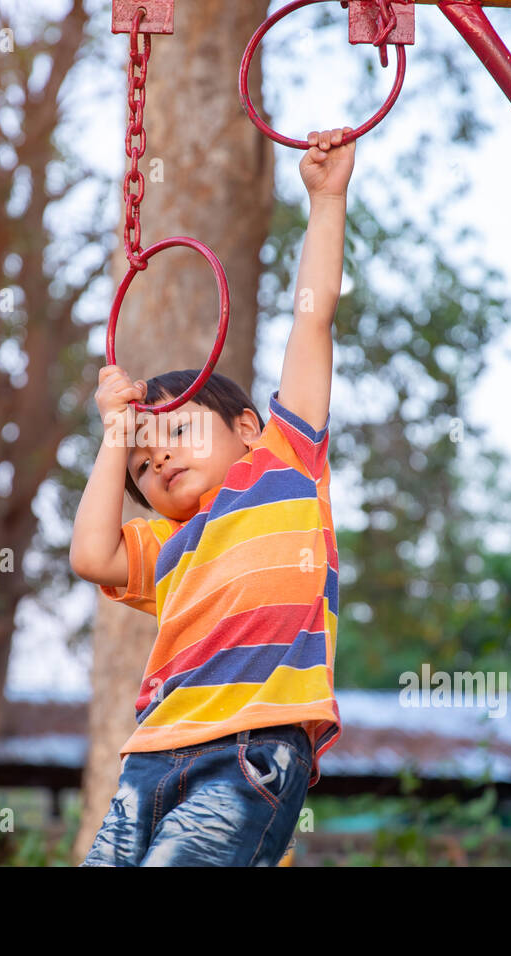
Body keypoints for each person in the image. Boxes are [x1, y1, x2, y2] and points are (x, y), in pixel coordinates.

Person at [70, 127, 353, 866]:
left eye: (177, 430)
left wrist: (327, 200)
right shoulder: (167, 548)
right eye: (141, 460)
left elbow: (312, 317)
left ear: (248, 428)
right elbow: (91, 554)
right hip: (150, 758)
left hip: (252, 751)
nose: (154, 454)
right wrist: (112, 433)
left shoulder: (287, 465)